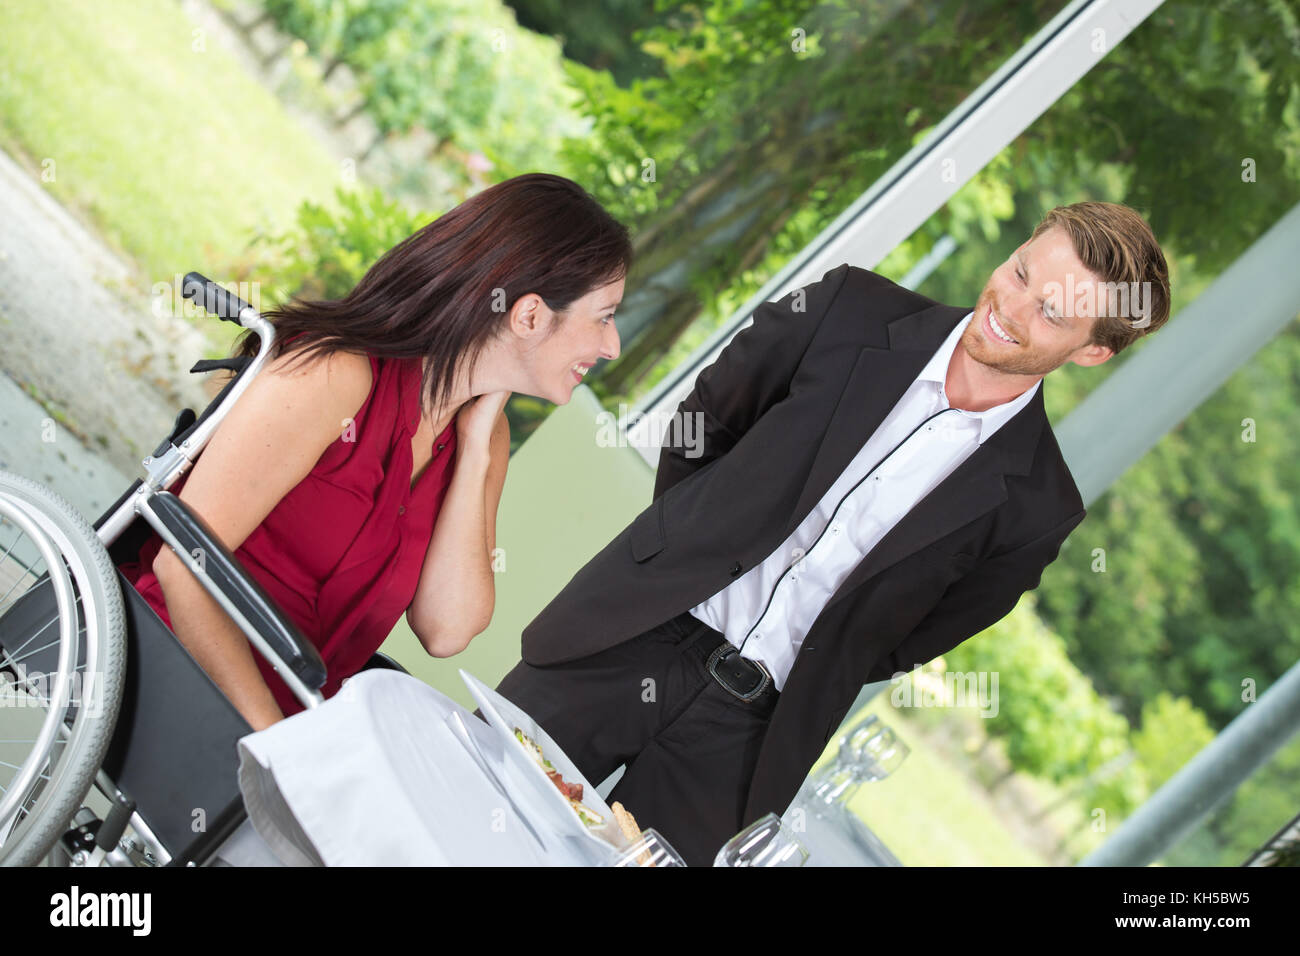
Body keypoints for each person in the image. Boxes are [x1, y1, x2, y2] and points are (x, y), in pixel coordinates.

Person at [495, 200, 1171, 866]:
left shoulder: (1039, 510)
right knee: (474, 799)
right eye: (1022, 273)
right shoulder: (848, 307)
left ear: (1093, 351)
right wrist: (689, 554)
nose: (1012, 307)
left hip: (746, 746)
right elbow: (705, 426)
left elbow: (900, 644)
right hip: (628, 637)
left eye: (1052, 312)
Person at [119, 173, 630, 732]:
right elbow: (183, 566)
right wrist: (281, 751)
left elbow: (447, 628)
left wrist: (477, 445)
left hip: (293, 718)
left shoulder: (484, 438)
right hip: (182, 667)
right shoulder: (336, 375)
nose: (612, 345)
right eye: (604, 317)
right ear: (529, 315)